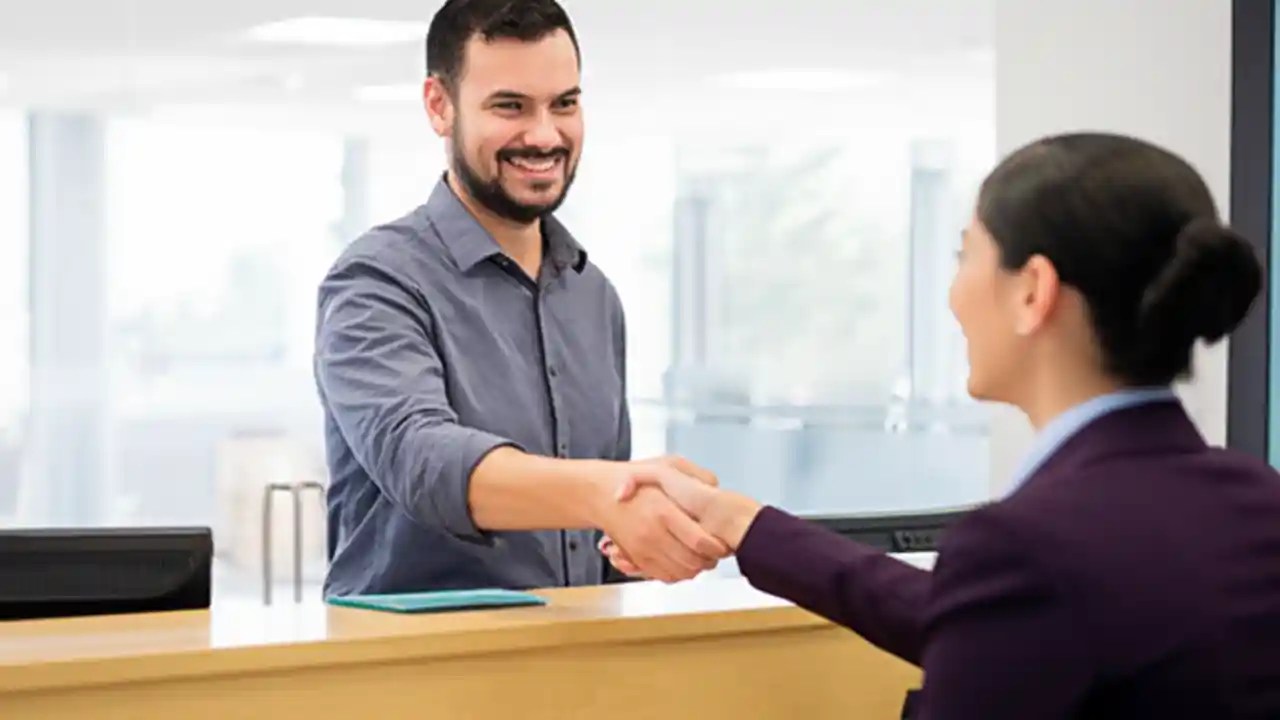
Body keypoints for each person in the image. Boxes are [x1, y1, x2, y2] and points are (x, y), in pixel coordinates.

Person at [607, 133, 1280, 717]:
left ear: (1031, 291)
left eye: (966, 255)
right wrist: (741, 524)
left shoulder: (1026, 548)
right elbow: (987, 618)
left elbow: (1010, 605)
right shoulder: (1257, 501)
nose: (954, 296)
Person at [314, 0, 722, 597]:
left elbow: (597, 533)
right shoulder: (376, 280)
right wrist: (609, 492)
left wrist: (643, 531)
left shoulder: (593, 295)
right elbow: (423, 461)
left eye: (565, 103)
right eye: (510, 106)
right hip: (412, 672)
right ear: (439, 105)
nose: (543, 134)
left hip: (578, 666)